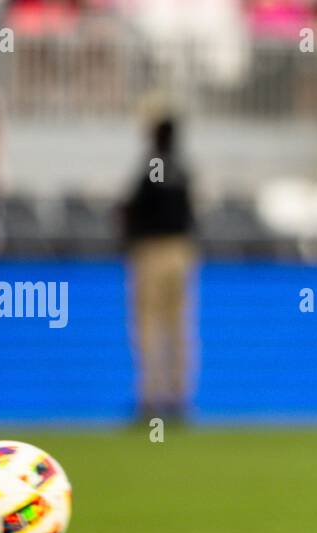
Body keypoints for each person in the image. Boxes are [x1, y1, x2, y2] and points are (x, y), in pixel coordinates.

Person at [121, 115, 197, 423]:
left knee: (149, 325)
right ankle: (178, 397)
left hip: (153, 251)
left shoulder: (154, 167)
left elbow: (135, 208)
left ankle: (150, 399)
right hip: (181, 251)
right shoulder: (183, 168)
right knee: (179, 326)